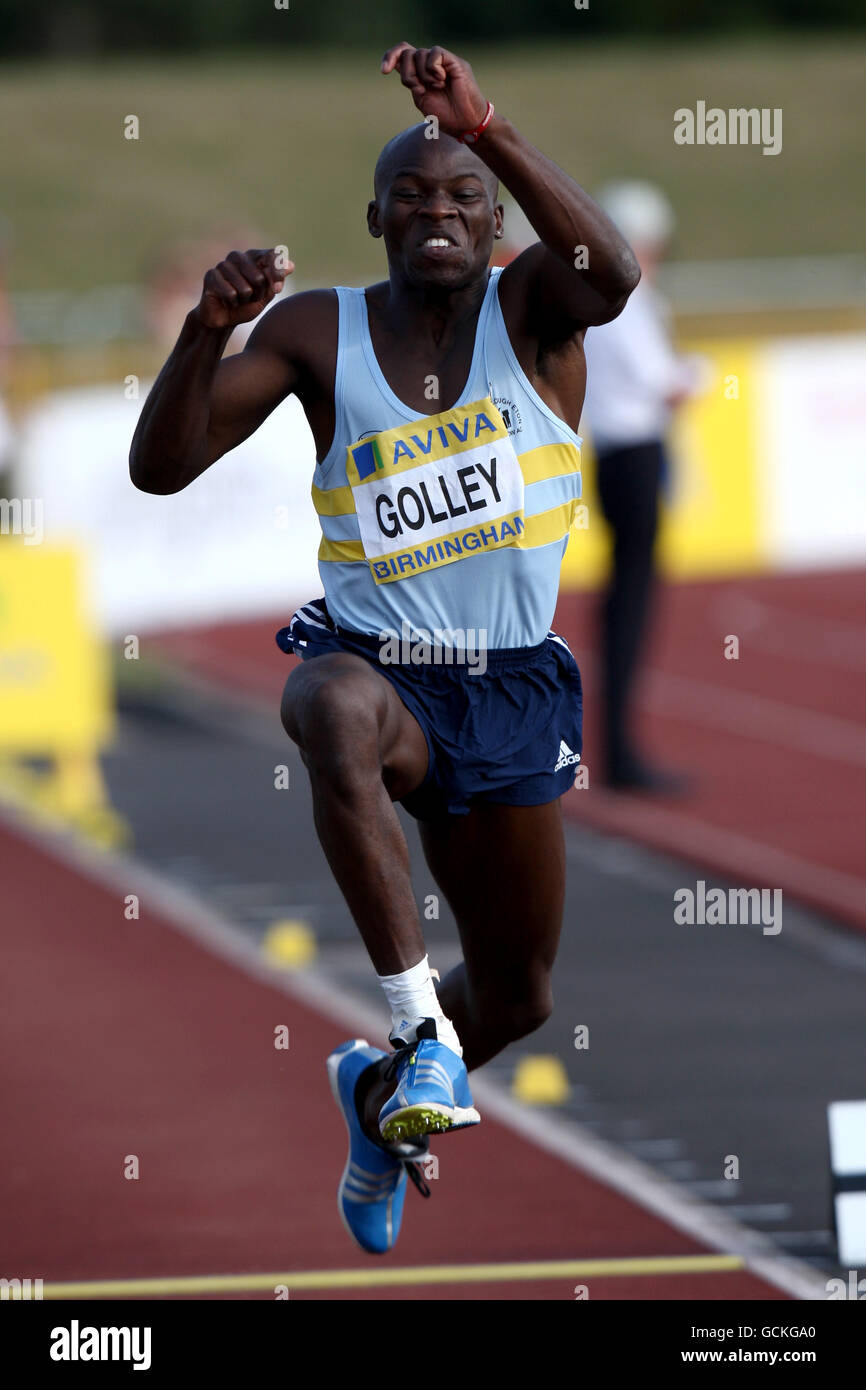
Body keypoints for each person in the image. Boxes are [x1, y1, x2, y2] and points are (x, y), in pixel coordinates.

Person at [130, 42, 639, 1254]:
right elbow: (161, 468)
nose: (437, 214)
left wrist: (488, 125)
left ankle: (373, 1092)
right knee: (327, 703)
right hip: (385, 669)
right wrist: (207, 327)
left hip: (508, 683)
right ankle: (415, 1034)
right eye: (411, 197)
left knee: (517, 994)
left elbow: (610, 275)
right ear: (374, 219)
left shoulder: (536, 308)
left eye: (463, 197)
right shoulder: (318, 332)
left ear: (497, 221)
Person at [582, 181, 701, 790]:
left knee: (623, 603)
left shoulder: (609, 297)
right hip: (633, 454)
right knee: (629, 605)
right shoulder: (631, 298)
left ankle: (616, 750)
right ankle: (620, 757)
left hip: (615, 456)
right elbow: (663, 382)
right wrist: (698, 375)